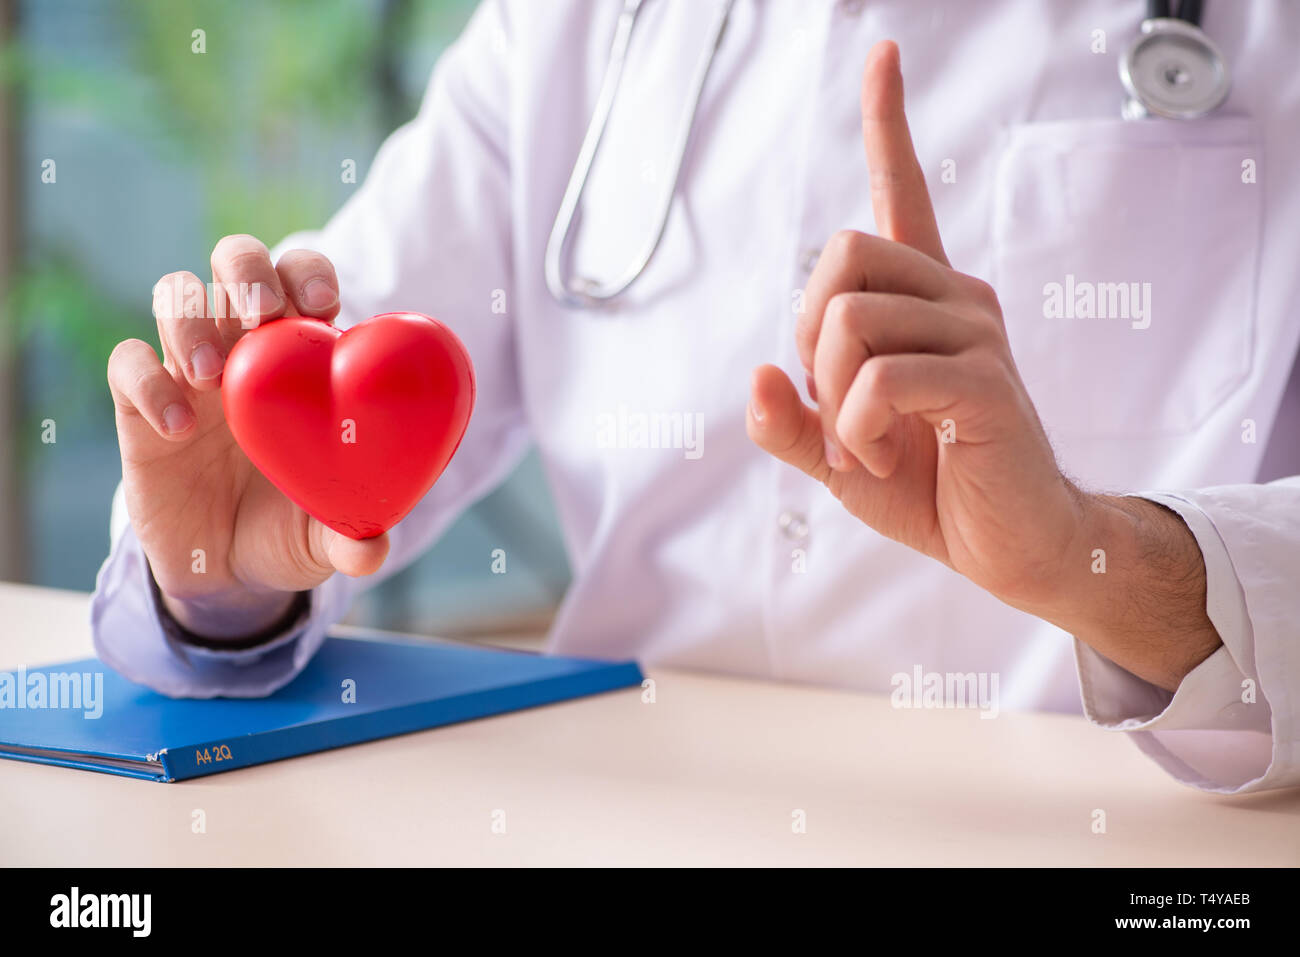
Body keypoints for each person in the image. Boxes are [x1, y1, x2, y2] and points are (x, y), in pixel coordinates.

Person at [94, 0, 1299, 794]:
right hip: (618, 823)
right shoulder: (567, 27)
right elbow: (336, 370)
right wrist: (224, 576)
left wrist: (1086, 554)